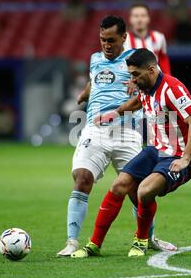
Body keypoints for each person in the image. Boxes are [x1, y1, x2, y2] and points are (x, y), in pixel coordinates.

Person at [57, 16, 176, 257]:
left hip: (128, 130)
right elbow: (95, 79)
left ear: (124, 37)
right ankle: (71, 241)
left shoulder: (136, 60)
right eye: (102, 40)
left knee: (139, 190)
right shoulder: (94, 59)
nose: (106, 45)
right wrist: (84, 93)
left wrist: (139, 83)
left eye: (111, 40)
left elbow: (158, 82)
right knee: (82, 178)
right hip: (95, 128)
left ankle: (148, 237)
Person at [72, 48, 191, 258]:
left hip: (178, 154)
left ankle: (141, 241)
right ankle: (94, 244)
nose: (132, 79)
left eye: (135, 74)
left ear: (152, 70)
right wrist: (114, 113)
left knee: (144, 191)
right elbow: (137, 102)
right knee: (118, 186)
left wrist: (186, 158)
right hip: (156, 149)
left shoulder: (172, 89)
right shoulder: (145, 86)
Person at [124, 4, 171, 75]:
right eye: (136, 16)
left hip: (154, 83)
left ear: (148, 18)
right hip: (130, 82)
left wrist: (167, 77)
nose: (139, 19)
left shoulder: (159, 37)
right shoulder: (123, 39)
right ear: (130, 19)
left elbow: (163, 59)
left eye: (143, 16)